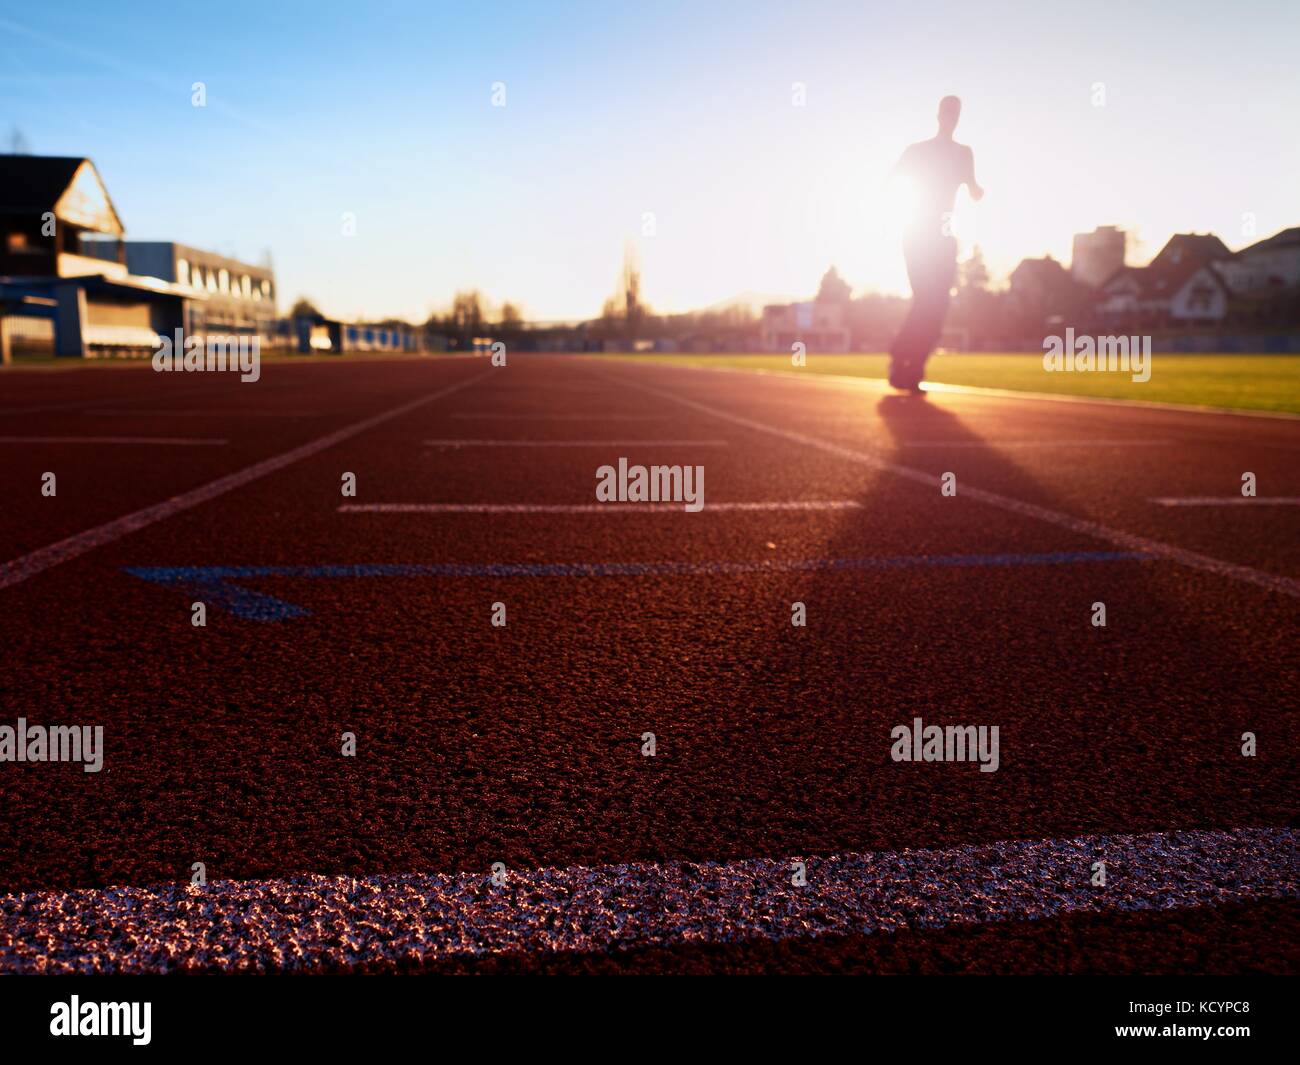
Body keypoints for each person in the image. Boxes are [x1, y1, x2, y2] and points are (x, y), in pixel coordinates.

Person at [888, 95, 983, 392]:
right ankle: (901, 354)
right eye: (949, 112)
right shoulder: (918, 151)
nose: (952, 117)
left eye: (956, 113)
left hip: (941, 236)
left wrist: (976, 188)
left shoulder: (963, 153)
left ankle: (913, 367)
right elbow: (890, 182)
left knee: (938, 304)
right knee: (927, 299)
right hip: (919, 233)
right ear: (940, 115)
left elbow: (973, 189)